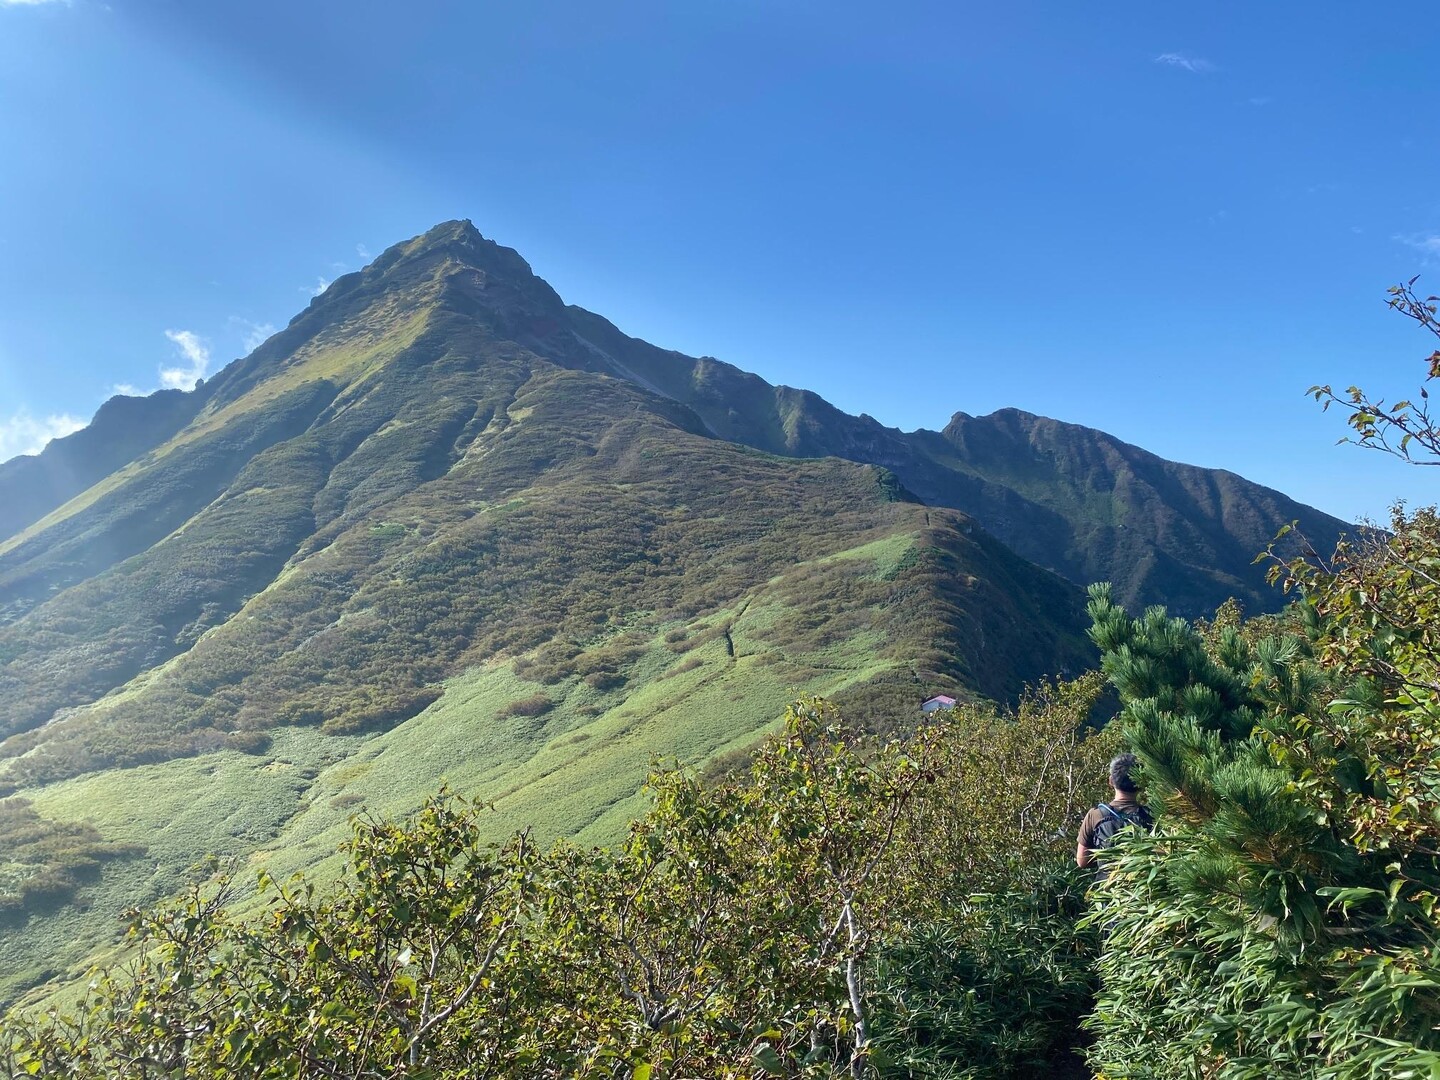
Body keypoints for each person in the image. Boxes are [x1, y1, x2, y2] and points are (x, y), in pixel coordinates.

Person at [1076, 753, 1153, 872]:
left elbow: (1082, 861)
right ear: (1140, 784)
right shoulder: (1152, 814)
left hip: (1108, 887)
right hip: (1145, 885)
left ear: (1111, 781)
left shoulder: (1096, 815)